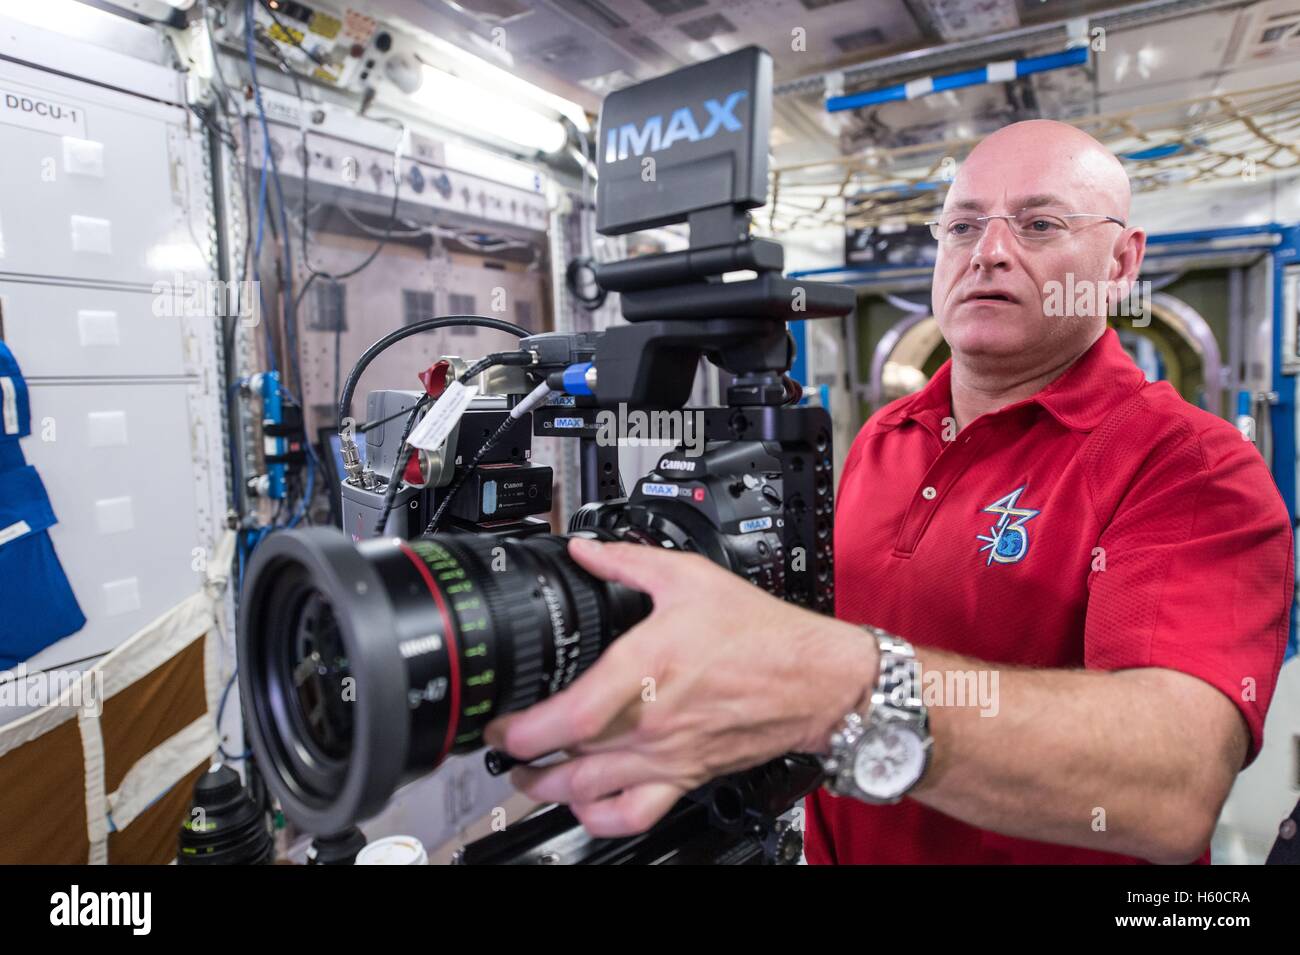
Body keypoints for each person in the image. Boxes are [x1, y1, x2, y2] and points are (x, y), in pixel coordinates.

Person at [483, 120, 1294, 864]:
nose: (989, 252)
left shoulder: (1190, 464)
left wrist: (826, 684)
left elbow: (1173, 781)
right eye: (964, 226)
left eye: (1039, 224)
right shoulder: (884, 435)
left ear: (1120, 262)